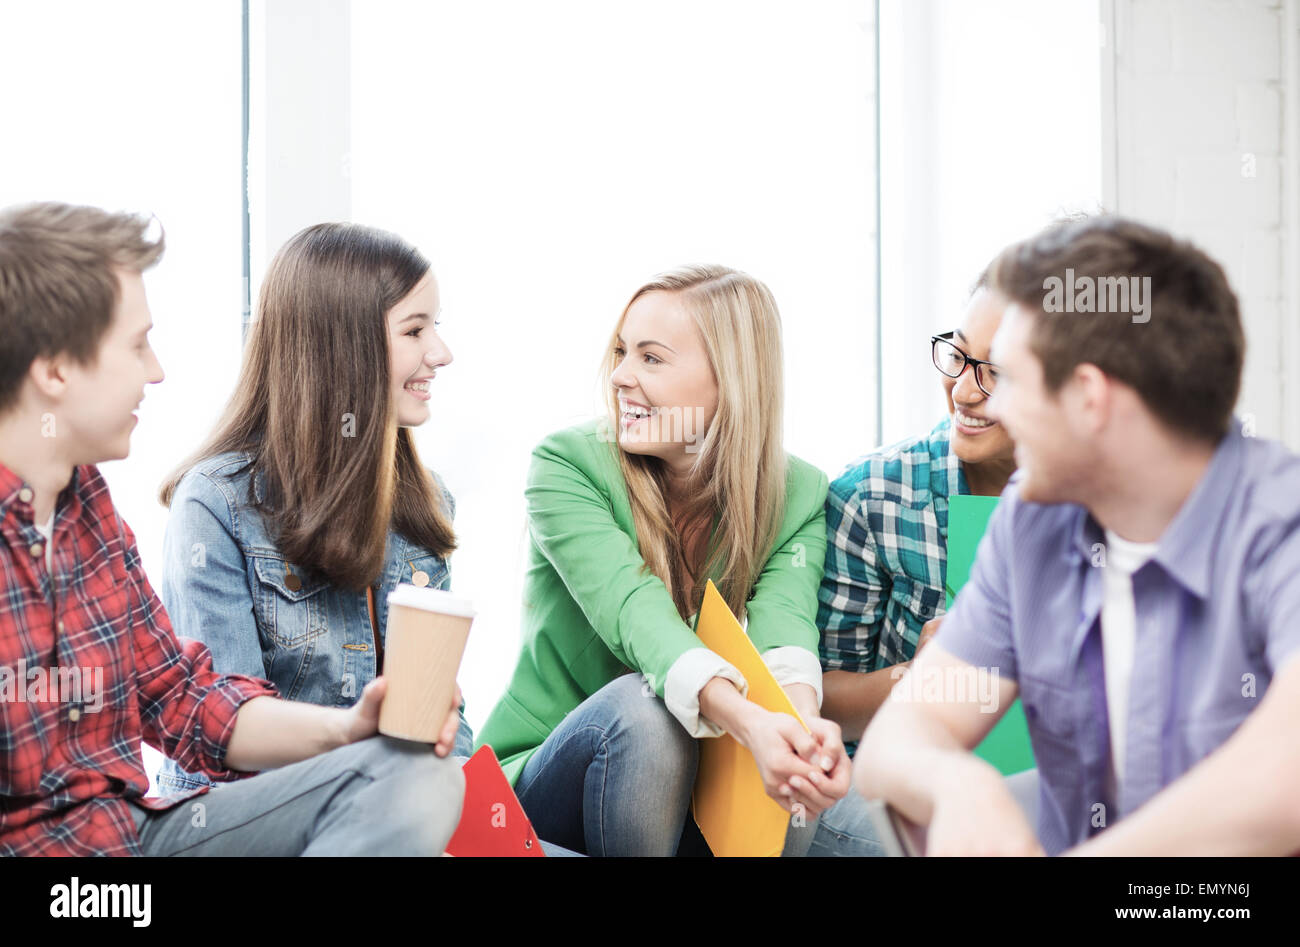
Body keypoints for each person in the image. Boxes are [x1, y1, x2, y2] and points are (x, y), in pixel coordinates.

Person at [0, 201, 463, 856]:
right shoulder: (216, 501)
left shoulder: (90, 511)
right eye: (136, 345)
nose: (155, 370)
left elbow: (184, 699)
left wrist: (350, 729)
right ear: (54, 370)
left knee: (410, 771)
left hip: (137, 838)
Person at [855, 215, 1300, 855]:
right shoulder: (1031, 524)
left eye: (1009, 377)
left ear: (1088, 398)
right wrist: (961, 788)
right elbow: (899, 740)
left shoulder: (1279, 526)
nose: (988, 405)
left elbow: (1284, 778)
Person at [476, 264, 851, 856]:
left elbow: (785, 633)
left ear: (730, 380)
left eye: (651, 358)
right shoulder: (568, 465)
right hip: (543, 779)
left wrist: (800, 731)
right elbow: (635, 614)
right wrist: (752, 724)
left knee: (817, 794)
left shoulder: (797, 492)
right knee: (644, 709)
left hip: (688, 787)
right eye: (622, 352)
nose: (621, 376)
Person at [154, 222, 472, 797]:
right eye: (414, 330)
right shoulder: (217, 504)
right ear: (342, 347)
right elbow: (224, 744)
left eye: (436, 327)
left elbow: (444, 722)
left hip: (394, 809)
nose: (441, 354)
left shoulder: (427, 501)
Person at [809, 273, 1019, 855]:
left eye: (996, 370)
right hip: (887, 788)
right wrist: (918, 681)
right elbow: (813, 697)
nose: (963, 391)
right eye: (957, 355)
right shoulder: (873, 495)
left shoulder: (1107, 502)